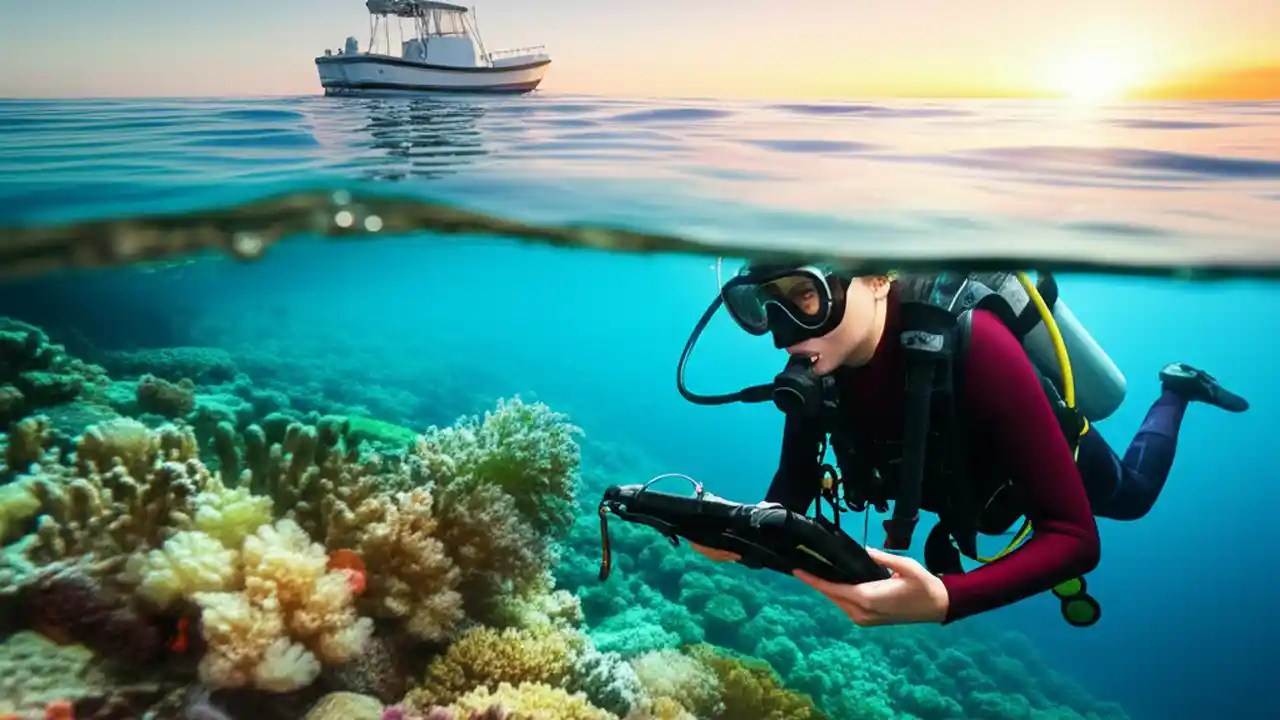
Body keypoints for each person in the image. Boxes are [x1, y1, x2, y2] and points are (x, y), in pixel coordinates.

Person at [686, 264, 1249, 627]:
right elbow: (793, 487)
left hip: (1033, 455)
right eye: (764, 304)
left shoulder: (976, 344)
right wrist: (741, 534)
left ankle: (1176, 388)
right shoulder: (820, 368)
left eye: (805, 296)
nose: (785, 329)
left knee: (1133, 497)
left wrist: (947, 600)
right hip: (961, 483)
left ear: (877, 278)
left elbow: (1076, 539)